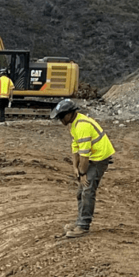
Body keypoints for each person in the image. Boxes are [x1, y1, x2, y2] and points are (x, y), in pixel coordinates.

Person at [50, 99, 115, 238]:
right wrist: (75, 167)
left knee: (87, 189)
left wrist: (82, 172)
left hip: (98, 158)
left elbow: (84, 156)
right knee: (80, 192)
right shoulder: (73, 124)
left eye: (61, 116)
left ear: (70, 114)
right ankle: (80, 221)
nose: (60, 120)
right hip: (92, 156)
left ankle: (84, 226)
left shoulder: (82, 126)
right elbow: (75, 147)